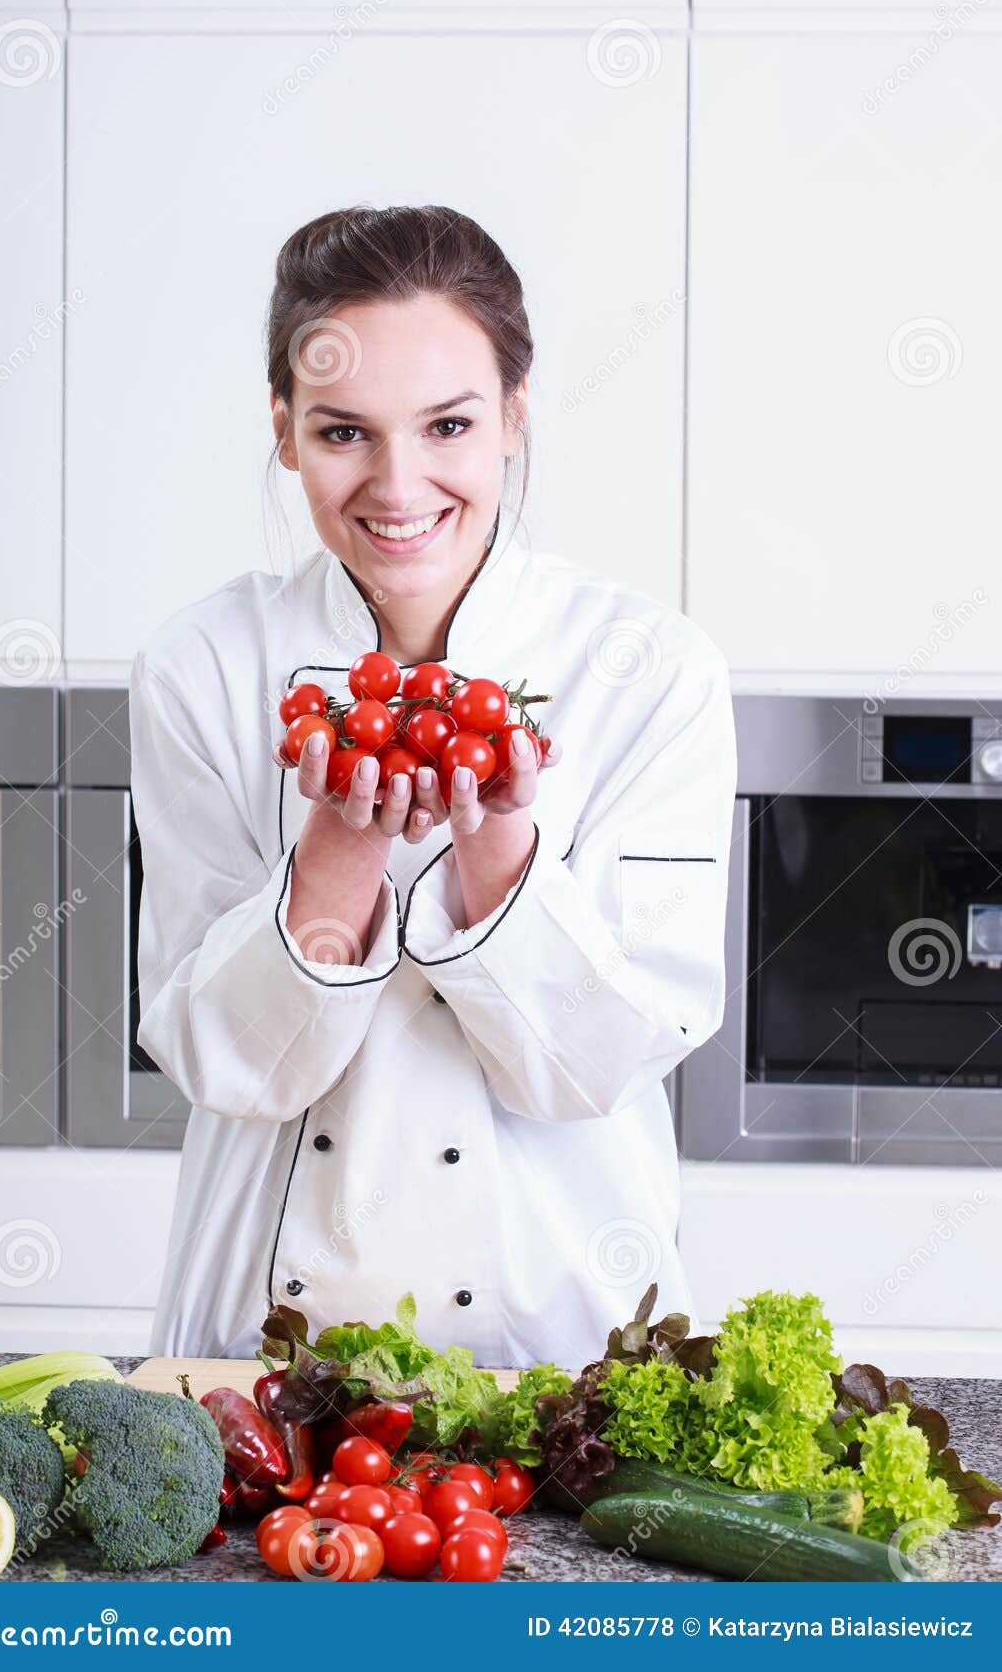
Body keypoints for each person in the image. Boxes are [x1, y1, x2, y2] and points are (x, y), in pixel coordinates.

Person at [130, 204, 737, 1369]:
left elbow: (596, 1064)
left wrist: (503, 856)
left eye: (447, 424)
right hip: (260, 1358)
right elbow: (221, 1060)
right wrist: (339, 856)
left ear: (513, 416)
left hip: (566, 1351)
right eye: (344, 432)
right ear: (284, 431)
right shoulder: (200, 667)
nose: (397, 486)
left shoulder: (648, 670)